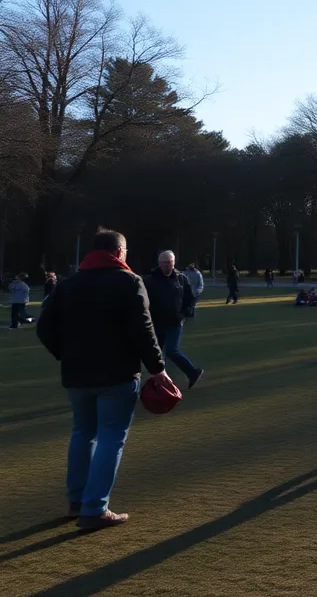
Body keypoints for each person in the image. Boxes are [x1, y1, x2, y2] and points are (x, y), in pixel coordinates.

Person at [36, 227, 177, 531]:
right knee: (111, 437)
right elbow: (144, 329)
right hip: (117, 373)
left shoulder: (68, 284)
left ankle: (76, 501)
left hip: (77, 373)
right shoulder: (129, 281)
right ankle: (95, 508)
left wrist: (65, 353)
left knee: (82, 433)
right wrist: (158, 368)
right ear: (119, 252)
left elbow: (44, 327)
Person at [142, 251, 203, 388]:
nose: (166, 265)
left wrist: (185, 311)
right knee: (155, 355)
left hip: (175, 323)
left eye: (169, 262)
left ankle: (192, 373)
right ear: (159, 263)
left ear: (174, 262)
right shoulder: (150, 280)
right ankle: (159, 383)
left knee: (171, 351)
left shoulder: (181, 278)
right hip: (156, 323)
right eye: (164, 263)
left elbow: (191, 298)